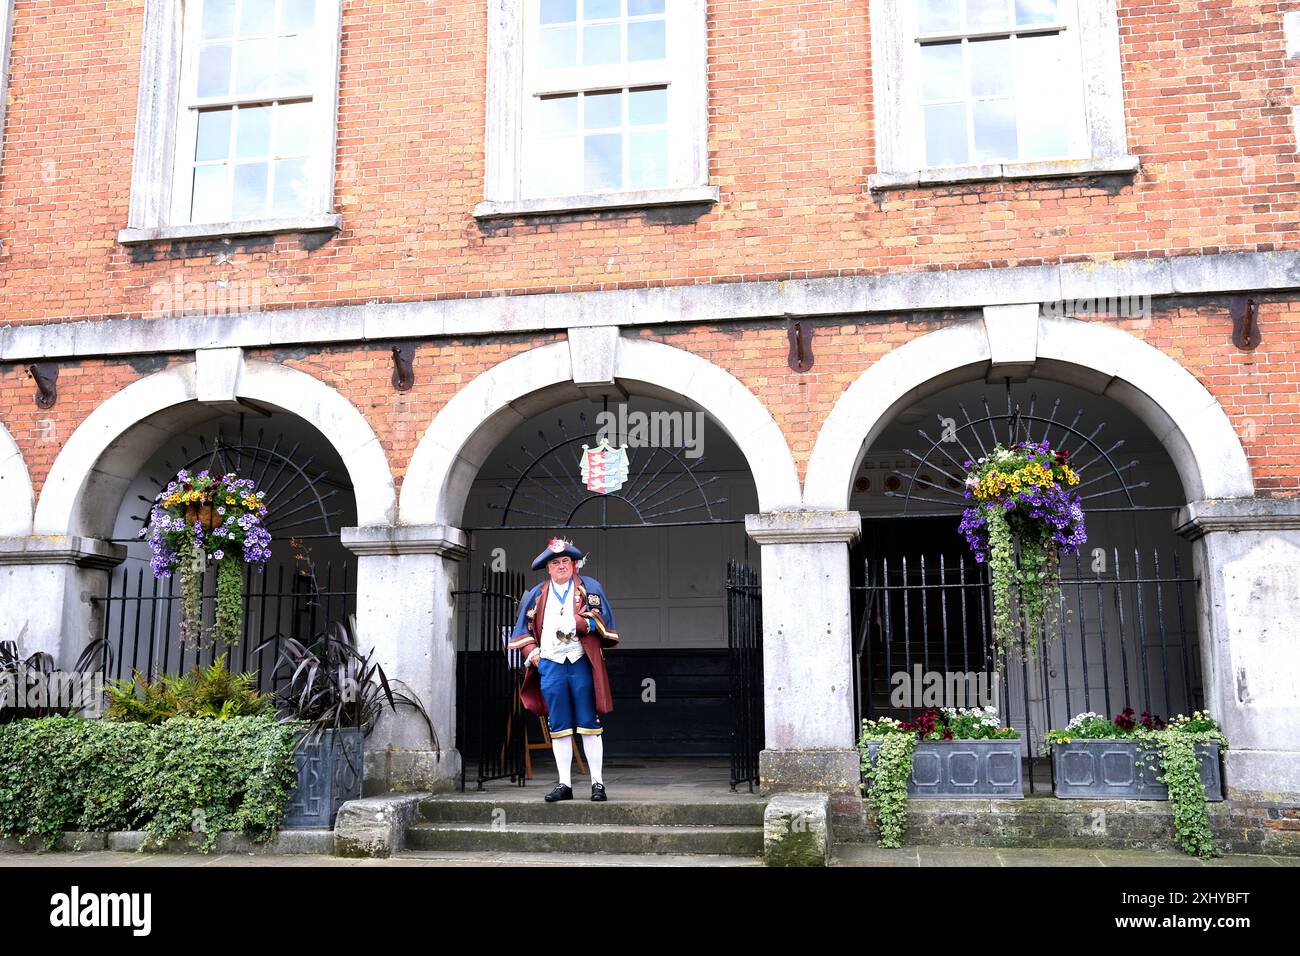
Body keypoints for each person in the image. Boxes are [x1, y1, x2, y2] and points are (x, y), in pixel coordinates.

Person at [508, 537, 619, 802]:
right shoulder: (536, 594)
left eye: (565, 561)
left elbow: (602, 622)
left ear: (574, 565)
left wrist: (578, 623)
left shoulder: (589, 588)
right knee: (558, 726)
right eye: (555, 562)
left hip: (580, 663)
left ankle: (597, 784)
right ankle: (564, 784)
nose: (561, 566)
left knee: (589, 724)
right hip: (551, 666)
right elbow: (522, 633)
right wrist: (533, 654)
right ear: (548, 568)